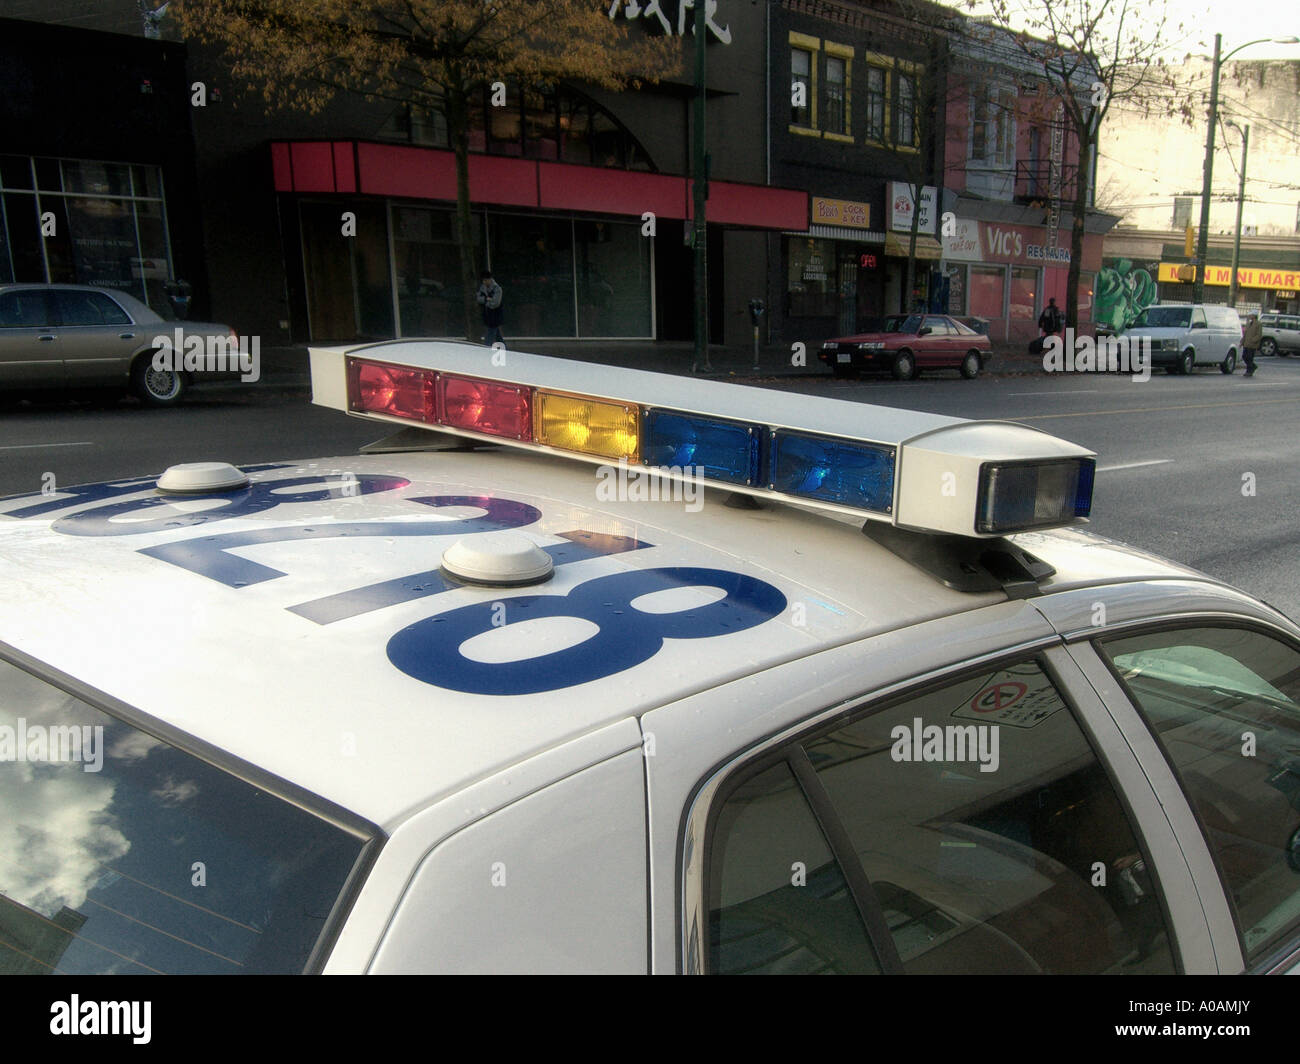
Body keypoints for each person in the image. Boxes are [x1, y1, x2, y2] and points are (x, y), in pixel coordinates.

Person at [476, 270, 505, 347]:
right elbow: (478, 298)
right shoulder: (482, 288)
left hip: (495, 314)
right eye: (483, 280)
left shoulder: (497, 289)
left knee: (490, 333)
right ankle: (503, 347)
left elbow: (496, 303)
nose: (484, 282)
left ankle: (486, 347)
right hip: (487, 314)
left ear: (490, 279)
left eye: (485, 280)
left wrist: (486, 302)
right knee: (497, 334)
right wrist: (487, 299)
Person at [1242, 313, 1261, 377]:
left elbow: (1259, 335)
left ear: (1254, 316)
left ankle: (1249, 371)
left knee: (1250, 357)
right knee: (1244, 356)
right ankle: (1253, 366)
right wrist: (1242, 342)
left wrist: (1253, 340)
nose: (1249, 316)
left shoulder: (1258, 324)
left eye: (1251, 315)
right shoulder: (1249, 323)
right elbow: (1245, 333)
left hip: (1252, 344)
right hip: (1246, 343)